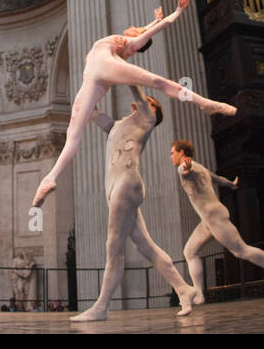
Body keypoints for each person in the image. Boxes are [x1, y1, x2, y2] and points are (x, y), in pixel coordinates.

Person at [32, 0, 237, 208]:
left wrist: (176, 12)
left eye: (136, 30)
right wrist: (155, 20)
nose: (132, 28)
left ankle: (206, 104)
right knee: (74, 134)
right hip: (96, 78)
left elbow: (149, 32)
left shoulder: (126, 43)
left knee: (75, 135)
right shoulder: (123, 47)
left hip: (95, 73)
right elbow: (146, 30)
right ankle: (50, 178)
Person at [71, 86, 198, 321]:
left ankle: (101, 307)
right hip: (116, 188)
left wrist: (120, 64)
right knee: (145, 246)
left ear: (151, 110)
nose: (141, 102)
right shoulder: (119, 126)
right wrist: (88, 92)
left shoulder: (147, 121)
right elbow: (95, 114)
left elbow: (135, 88)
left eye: (148, 102)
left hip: (127, 185)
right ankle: (183, 288)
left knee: (114, 247)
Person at [170, 139, 264, 300]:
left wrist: (186, 170)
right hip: (208, 220)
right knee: (189, 251)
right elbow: (217, 178)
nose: (170, 156)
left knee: (241, 251)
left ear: (181, 153)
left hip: (215, 218)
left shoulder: (187, 167)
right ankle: (199, 294)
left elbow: (185, 171)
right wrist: (231, 184)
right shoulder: (201, 168)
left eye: (172, 153)